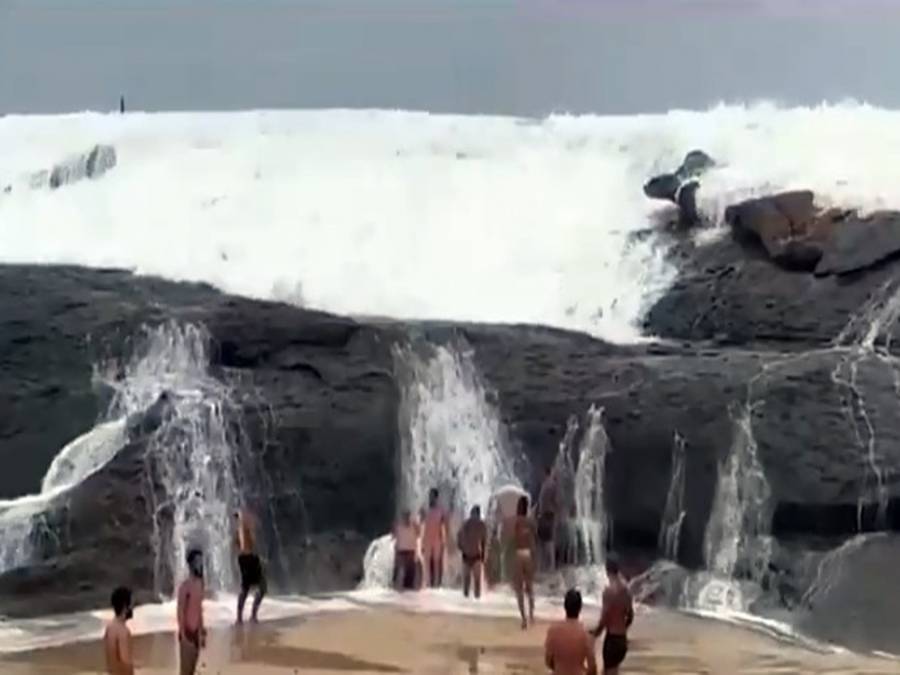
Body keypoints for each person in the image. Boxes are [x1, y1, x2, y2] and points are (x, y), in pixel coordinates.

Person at [590, 557, 634, 675]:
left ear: (607, 570)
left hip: (612, 640)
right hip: (622, 641)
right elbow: (630, 616)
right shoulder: (627, 590)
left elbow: (605, 617)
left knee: (609, 671)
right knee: (612, 671)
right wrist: (623, 630)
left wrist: (595, 633)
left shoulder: (608, 592)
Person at [545, 589, 598, 675]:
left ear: (565, 606)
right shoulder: (585, 634)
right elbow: (592, 668)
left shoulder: (553, 630)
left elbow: (548, 661)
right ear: (580, 608)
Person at [177, 549, 207, 675]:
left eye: (201, 561)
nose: (200, 564)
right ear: (191, 564)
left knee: (192, 669)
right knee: (185, 671)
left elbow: (199, 610)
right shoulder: (185, 586)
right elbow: (181, 611)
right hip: (187, 632)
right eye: (197, 561)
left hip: (196, 633)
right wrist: (183, 634)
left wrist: (202, 631)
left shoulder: (200, 584)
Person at [235, 509, 267, 624]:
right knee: (252, 587)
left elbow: (241, 544)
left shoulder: (243, 526)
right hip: (247, 557)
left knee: (248, 588)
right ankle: (247, 616)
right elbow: (243, 544)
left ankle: (245, 616)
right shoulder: (242, 526)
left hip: (248, 557)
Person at [511, 495, 537, 629]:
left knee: (519, 589)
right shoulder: (530, 522)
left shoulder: (516, 521)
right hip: (528, 554)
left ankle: (524, 619)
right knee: (530, 587)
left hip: (518, 554)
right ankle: (532, 614)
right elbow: (534, 538)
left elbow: (513, 539)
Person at [456, 505, 487, 599]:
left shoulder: (471, 524)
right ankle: (474, 601)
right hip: (473, 555)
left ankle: (470, 601)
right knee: (473, 582)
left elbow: (459, 537)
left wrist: (462, 547)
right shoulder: (476, 524)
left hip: (471, 555)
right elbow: (484, 541)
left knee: (470, 582)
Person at [104, 586, 135, 675]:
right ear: (126, 607)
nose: (133, 608)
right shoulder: (123, 631)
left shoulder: (110, 628)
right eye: (132, 605)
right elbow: (125, 661)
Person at [421, 488, 448, 588]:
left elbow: (445, 525)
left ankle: (436, 584)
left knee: (437, 562)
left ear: (436, 498)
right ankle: (427, 583)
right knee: (426, 561)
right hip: (427, 538)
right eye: (430, 496)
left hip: (437, 538)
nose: (430, 498)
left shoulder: (441, 510)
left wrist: (445, 540)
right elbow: (421, 524)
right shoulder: (424, 509)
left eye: (432, 496)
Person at [537, 465, 559, 571]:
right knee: (548, 540)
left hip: (544, 515)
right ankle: (549, 565)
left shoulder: (546, 484)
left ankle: (546, 565)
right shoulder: (550, 484)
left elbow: (546, 501)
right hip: (548, 514)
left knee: (544, 540)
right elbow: (555, 500)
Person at [394, 509, 420, 590]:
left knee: (403, 569)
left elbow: (395, 536)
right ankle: (412, 587)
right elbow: (418, 533)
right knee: (410, 569)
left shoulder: (399, 525)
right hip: (409, 549)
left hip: (403, 549)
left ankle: (400, 587)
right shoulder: (413, 525)